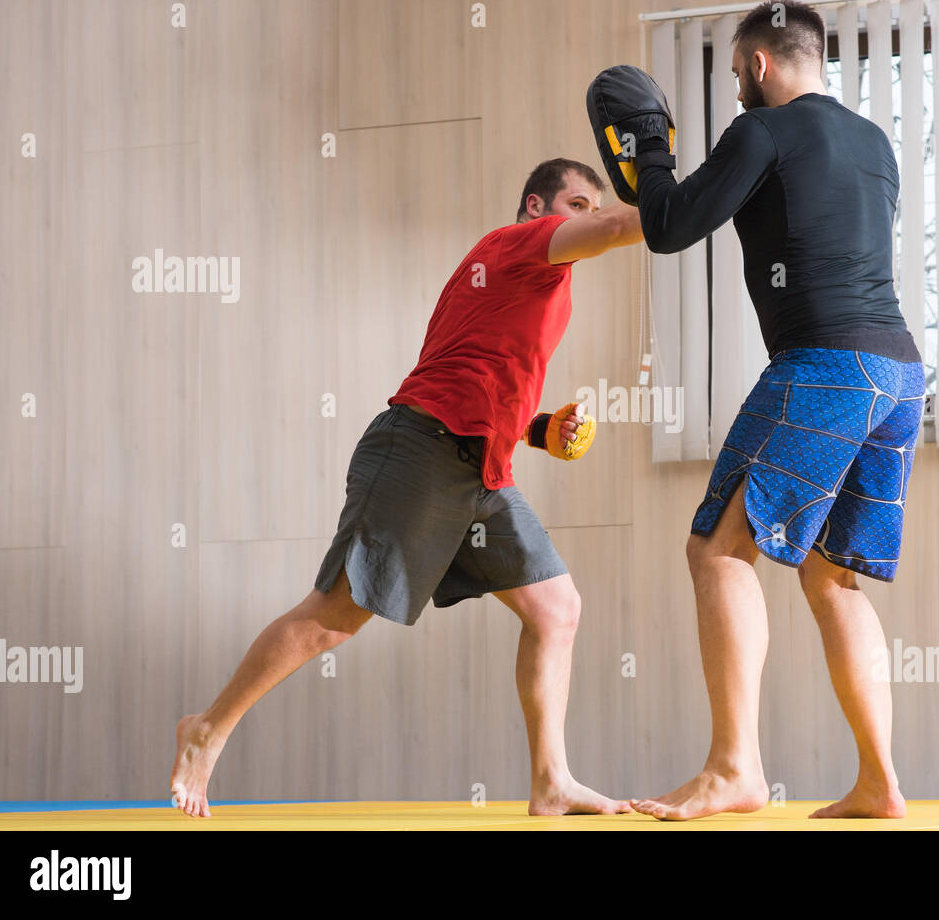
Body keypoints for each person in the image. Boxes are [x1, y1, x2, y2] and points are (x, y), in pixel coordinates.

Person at [171, 158, 643, 818]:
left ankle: (551, 779)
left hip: (479, 469)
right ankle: (207, 727)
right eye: (577, 203)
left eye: (593, 205)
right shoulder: (518, 244)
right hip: (420, 451)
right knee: (333, 619)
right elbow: (627, 225)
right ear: (535, 208)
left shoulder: (527, 278)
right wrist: (680, 185)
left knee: (556, 609)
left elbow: (471, 369)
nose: (589, 217)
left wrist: (539, 430)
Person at [620, 0, 924, 820]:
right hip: (899, 372)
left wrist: (650, 151)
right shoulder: (875, 143)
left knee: (718, 551)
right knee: (832, 580)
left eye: (734, 75)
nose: (737, 91)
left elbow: (671, 225)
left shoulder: (761, 130)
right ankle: (878, 782)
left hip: (824, 362)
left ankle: (733, 768)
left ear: (756, 64)